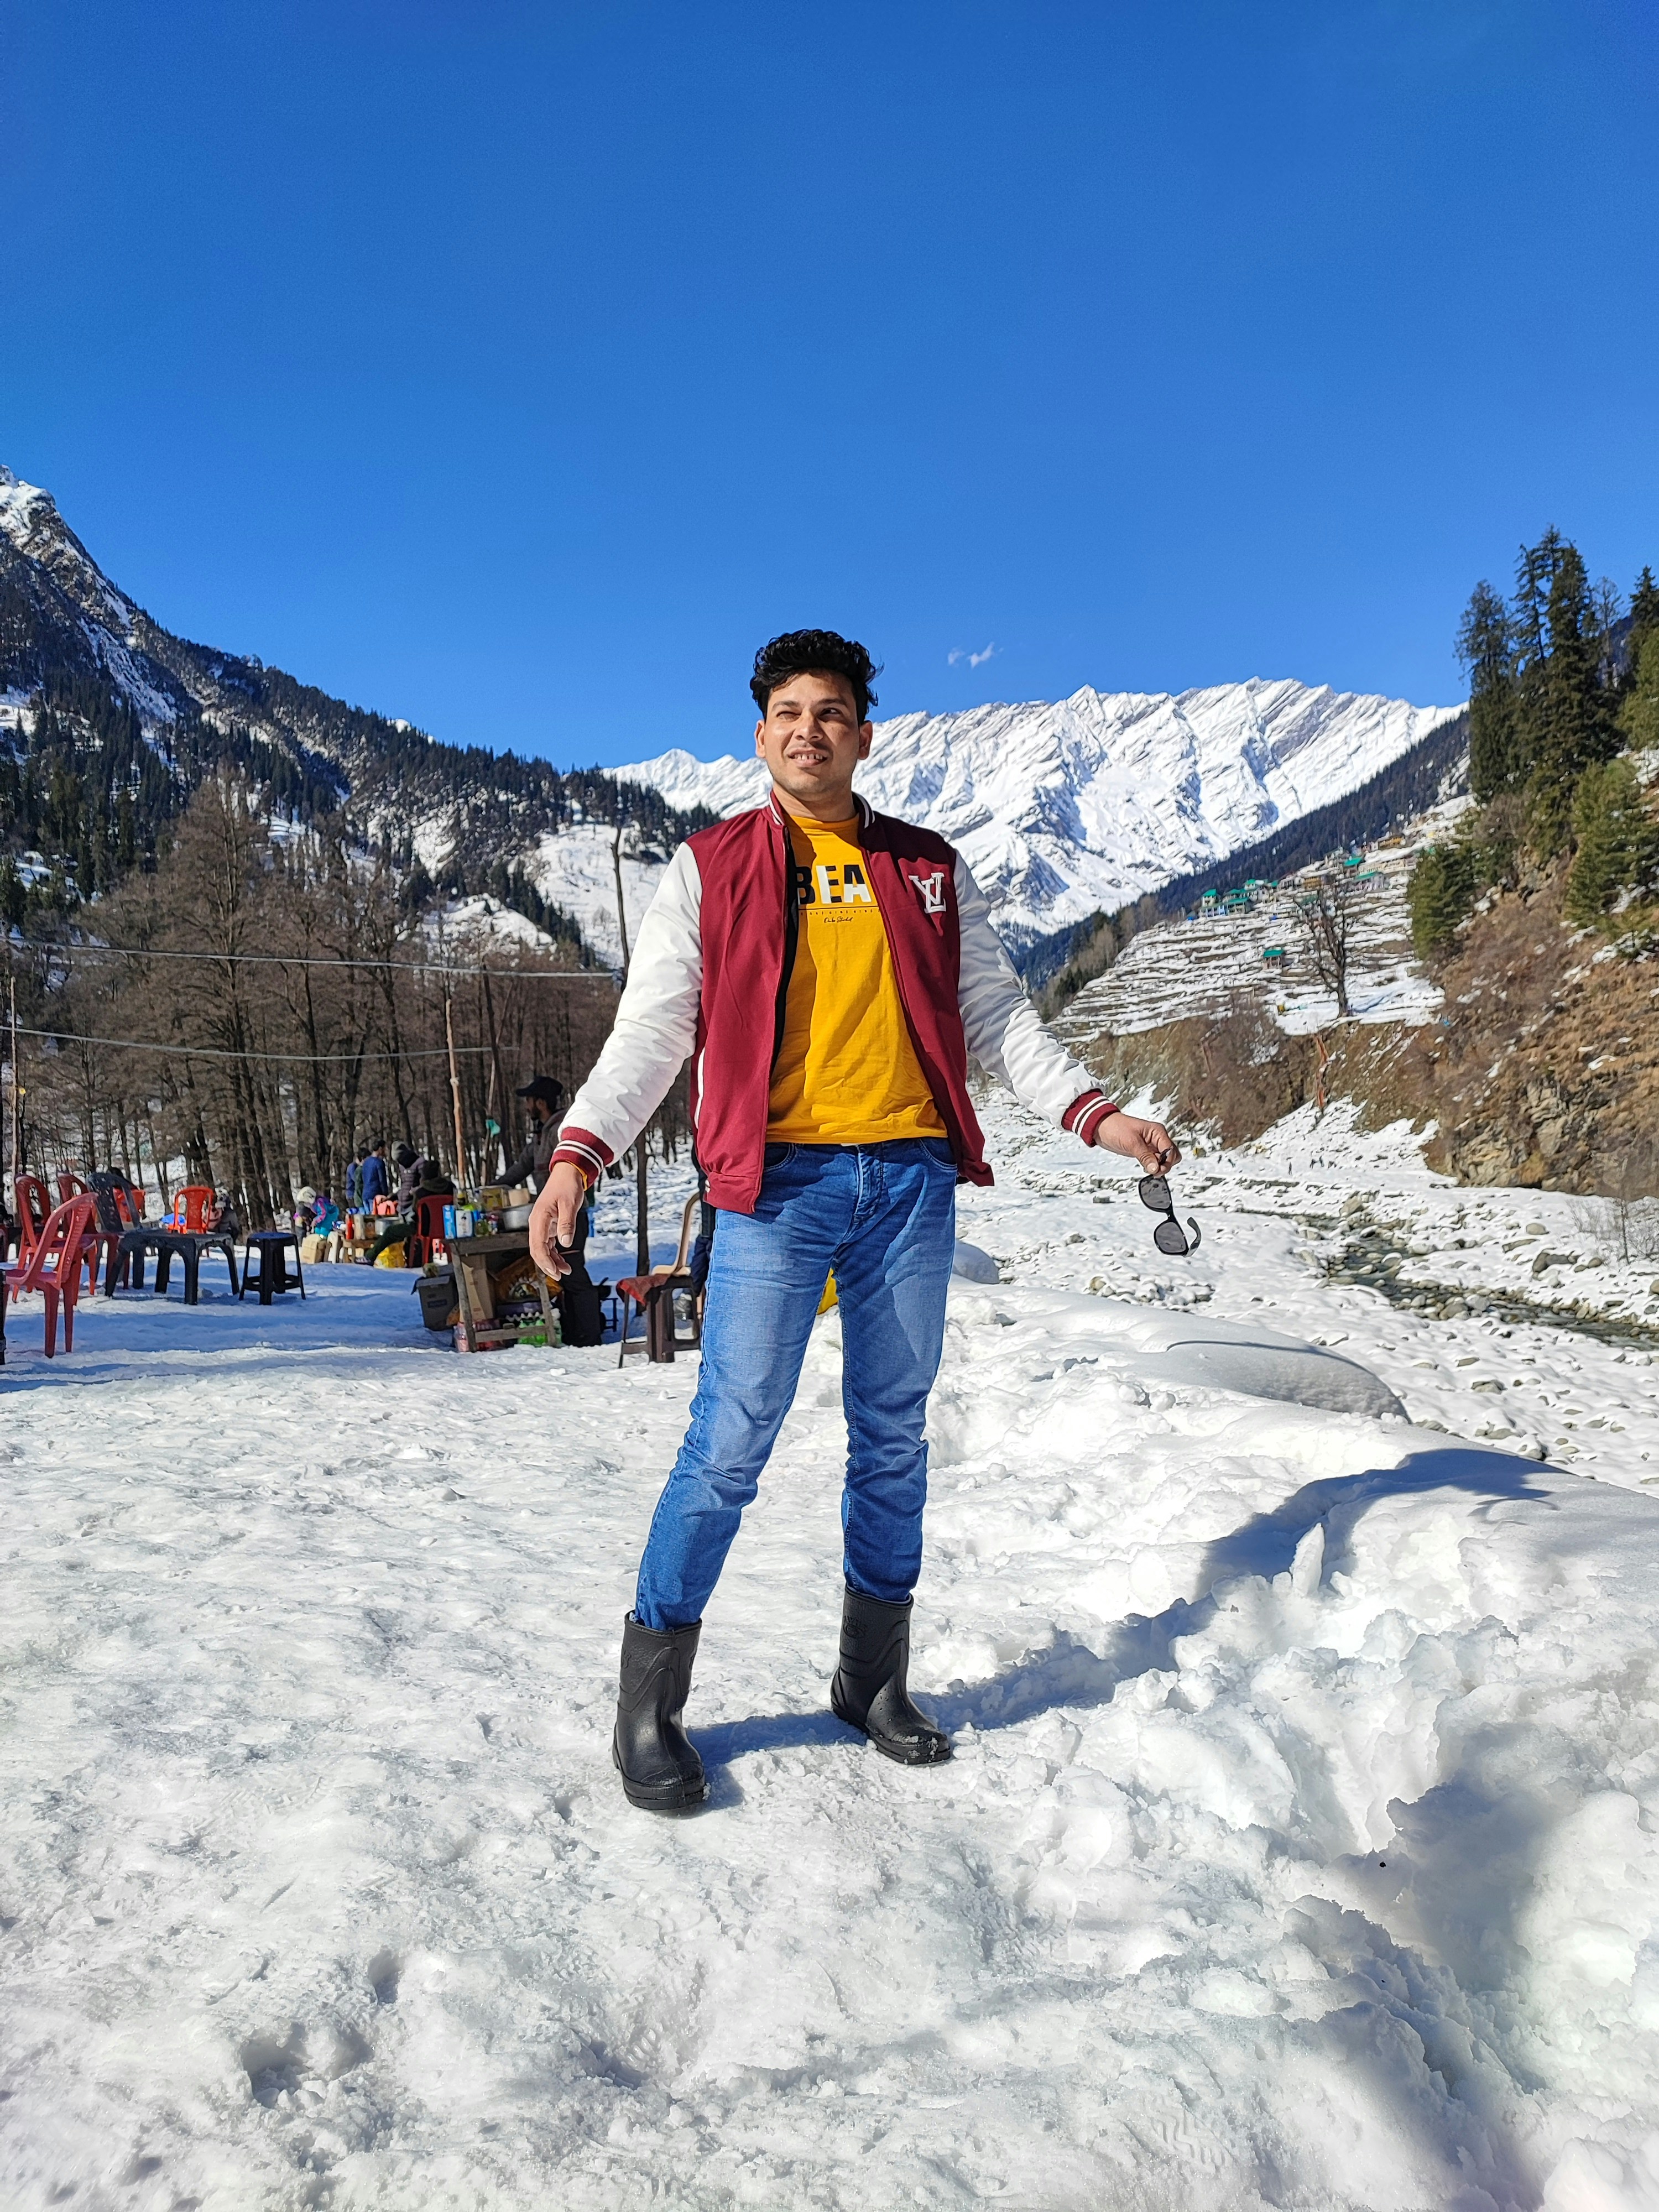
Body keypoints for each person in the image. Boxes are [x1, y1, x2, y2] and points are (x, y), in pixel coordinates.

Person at [531, 629, 1178, 1814]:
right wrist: (581, 1150)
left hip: (909, 1183)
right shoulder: (712, 864)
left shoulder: (928, 867)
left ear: (866, 735)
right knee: (729, 1440)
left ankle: (871, 1678)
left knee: (893, 1434)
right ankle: (649, 1703)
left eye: (832, 711)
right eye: (788, 709)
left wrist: (1096, 1115)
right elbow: (655, 1032)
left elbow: (996, 1014)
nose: (809, 728)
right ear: (761, 729)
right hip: (777, 1189)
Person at [505, 1073, 605, 1348]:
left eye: (529, 1101)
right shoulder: (541, 1133)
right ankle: (576, 1331)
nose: (526, 1106)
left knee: (574, 1275)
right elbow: (522, 1166)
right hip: (553, 1217)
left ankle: (590, 1336)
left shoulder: (560, 1129)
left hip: (571, 1217)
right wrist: (494, 1188)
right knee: (563, 1276)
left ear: (540, 1102)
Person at [359, 1141, 389, 1212]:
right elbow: (382, 1180)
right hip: (376, 1196)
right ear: (380, 1149)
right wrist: (385, 1195)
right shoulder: (379, 1162)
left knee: (367, 1220)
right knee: (376, 1219)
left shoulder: (366, 1162)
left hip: (365, 1194)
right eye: (385, 1149)